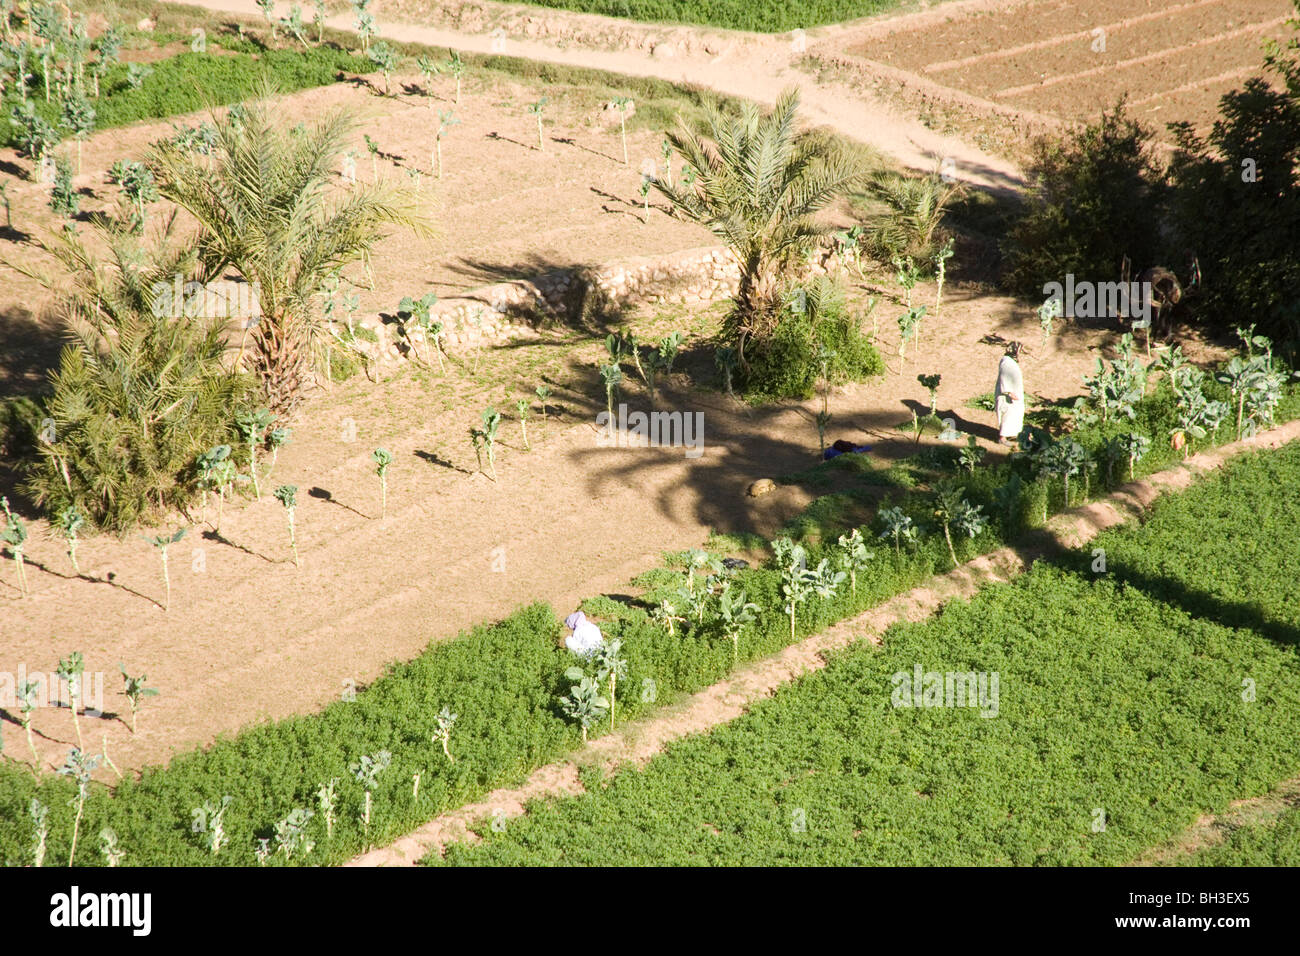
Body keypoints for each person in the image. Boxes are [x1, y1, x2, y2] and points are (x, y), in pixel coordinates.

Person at [995, 341, 1024, 444]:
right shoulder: (1006, 362)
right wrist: (1009, 392)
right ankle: (1002, 438)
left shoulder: (1009, 361)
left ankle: (1011, 434)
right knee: (1007, 415)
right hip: (1007, 397)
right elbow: (1004, 378)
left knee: (1014, 415)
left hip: (1013, 394)